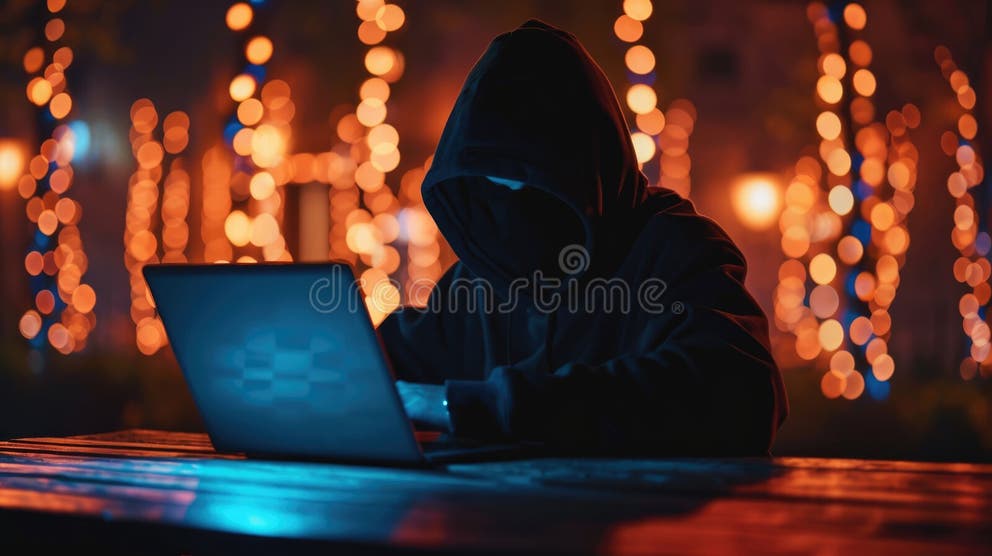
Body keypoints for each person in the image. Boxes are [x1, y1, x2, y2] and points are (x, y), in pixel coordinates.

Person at [379, 19, 788, 456]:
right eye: (490, 186)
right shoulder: (481, 278)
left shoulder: (675, 252)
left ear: (578, 172)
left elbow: (738, 393)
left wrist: (475, 405)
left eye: (527, 183)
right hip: (495, 520)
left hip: (644, 513)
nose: (508, 207)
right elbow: (377, 366)